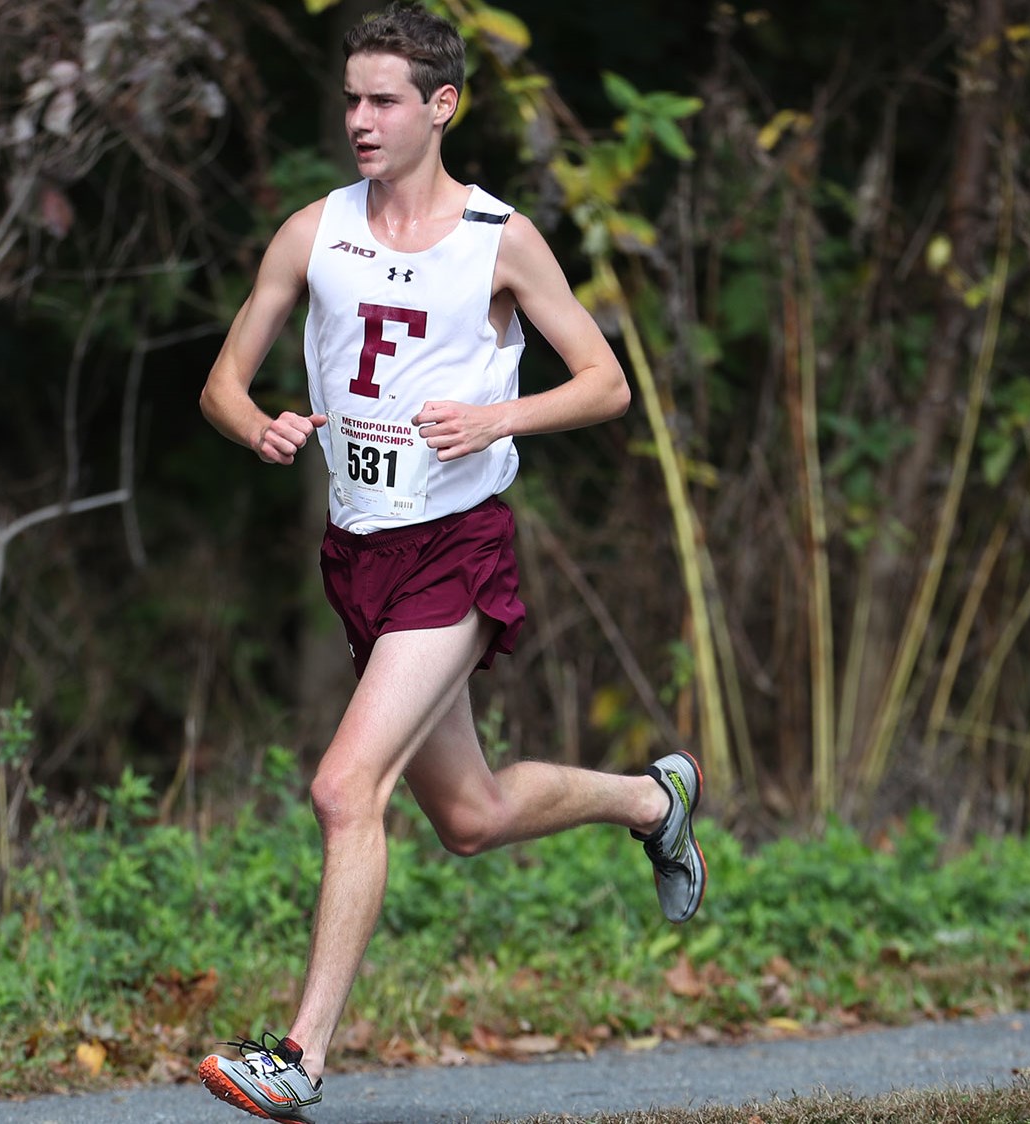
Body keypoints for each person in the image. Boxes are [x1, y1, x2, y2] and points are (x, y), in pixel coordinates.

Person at [195, 4, 705, 1119]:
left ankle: (299, 1055)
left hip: (455, 552)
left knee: (343, 787)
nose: (359, 120)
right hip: (359, 556)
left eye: (382, 101)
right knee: (467, 817)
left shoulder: (498, 236)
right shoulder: (312, 229)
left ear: (441, 106)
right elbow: (221, 382)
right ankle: (648, 800)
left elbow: (605, 383)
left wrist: (496, 418)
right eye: (349, 99)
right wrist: (260, 426)